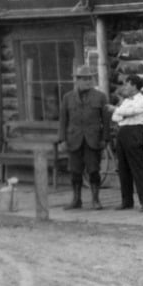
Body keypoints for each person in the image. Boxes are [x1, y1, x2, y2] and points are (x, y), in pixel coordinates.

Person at [57, 65, 112, 210]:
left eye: (90, 78)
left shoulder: (100, 97)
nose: (89, 81)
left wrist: (105, 139)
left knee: (94, 170)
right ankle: (76, 200)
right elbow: (63, 120)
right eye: (85, 79)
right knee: (75, 171)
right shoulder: (67, 97)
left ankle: (95, 200)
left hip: (93, 140)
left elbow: (106, 120)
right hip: (73, 140)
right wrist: (62, 139)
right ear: (77, 80)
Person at [111, 74, 143, 212]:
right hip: (122, 133)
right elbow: (115, 117)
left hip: (134, 133)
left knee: (137, 169)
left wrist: (120, 111)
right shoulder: (126, 101)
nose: (125, 87)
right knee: (123, 169)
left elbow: (133, 112)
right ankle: (126, 201)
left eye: (127, 84)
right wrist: (121, 112)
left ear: (134, 85)